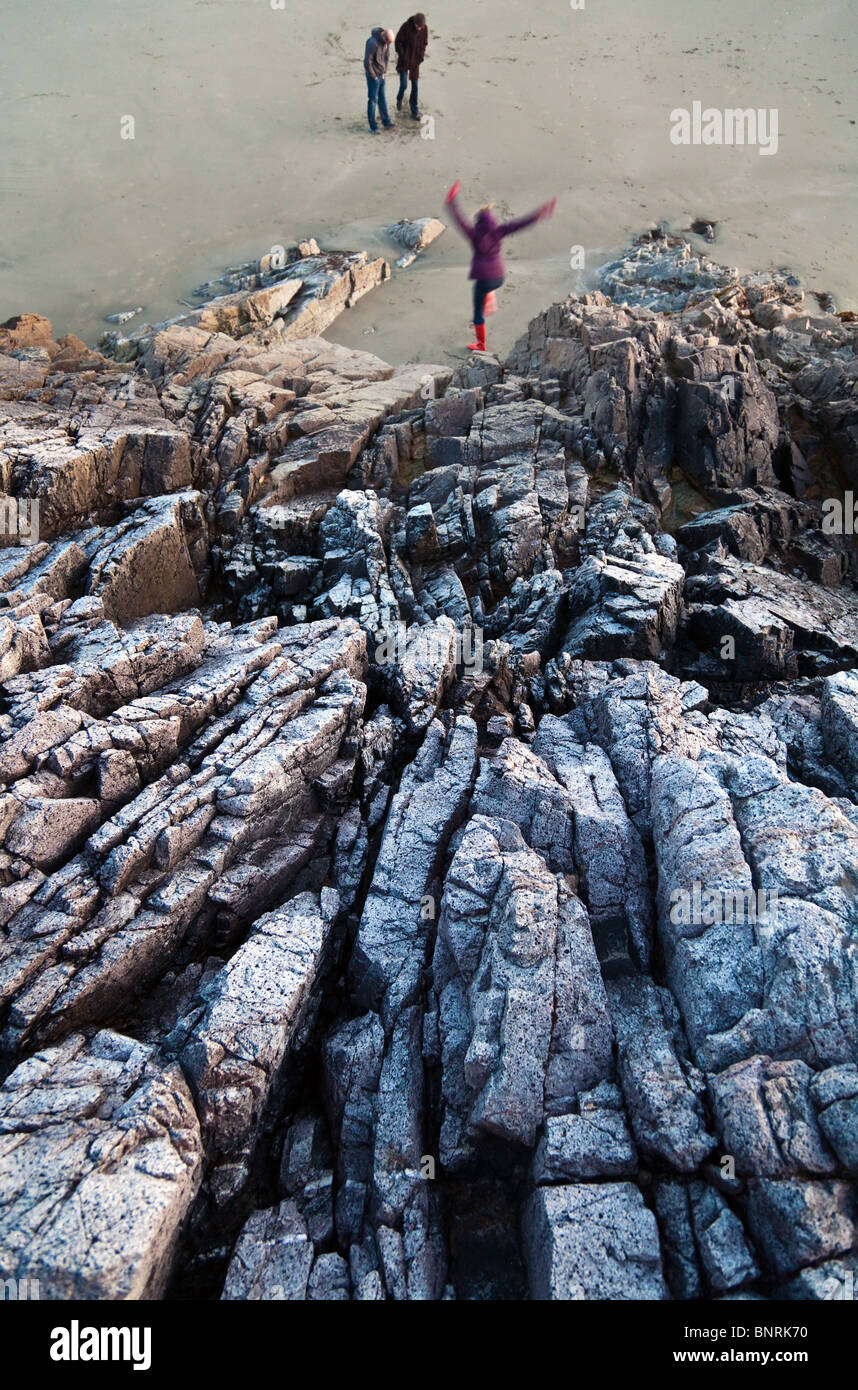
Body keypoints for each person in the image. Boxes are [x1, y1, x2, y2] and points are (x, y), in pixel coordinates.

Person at [445, 182, 557, 352]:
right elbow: (520, 224)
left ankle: (481, 344)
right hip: (499, 277)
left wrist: (452, 201)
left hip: (484, 279)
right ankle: (489, 297)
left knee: (477, 313)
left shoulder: (474, 234)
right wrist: (539, 213)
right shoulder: (499, 230)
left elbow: (459, 220)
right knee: (488, 287)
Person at [395, 13, 428, 121]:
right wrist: (403, 55)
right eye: (418, 26)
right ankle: (399, 98)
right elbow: (398, 41)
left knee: (415, 87)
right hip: (404, 60)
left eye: (421, 27)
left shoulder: (424, 29)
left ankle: (414, 111)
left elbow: (424, 43)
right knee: (404, 85)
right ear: (414, 23)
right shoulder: (406, 27)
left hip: (415, 61)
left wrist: (421, 56)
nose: (419, 29)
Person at [364, 27, 395, 133]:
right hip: (374, 77)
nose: (389, 45)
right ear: (384, 37)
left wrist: (385, 71)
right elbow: (367, 62)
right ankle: (373, 127)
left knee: (382, 98)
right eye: (388, 42)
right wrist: (374, 76)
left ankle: (386, 121)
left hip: (382, 75)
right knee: (373, 101)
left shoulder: (386, 43)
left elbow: (386, 57)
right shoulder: (372, 43)